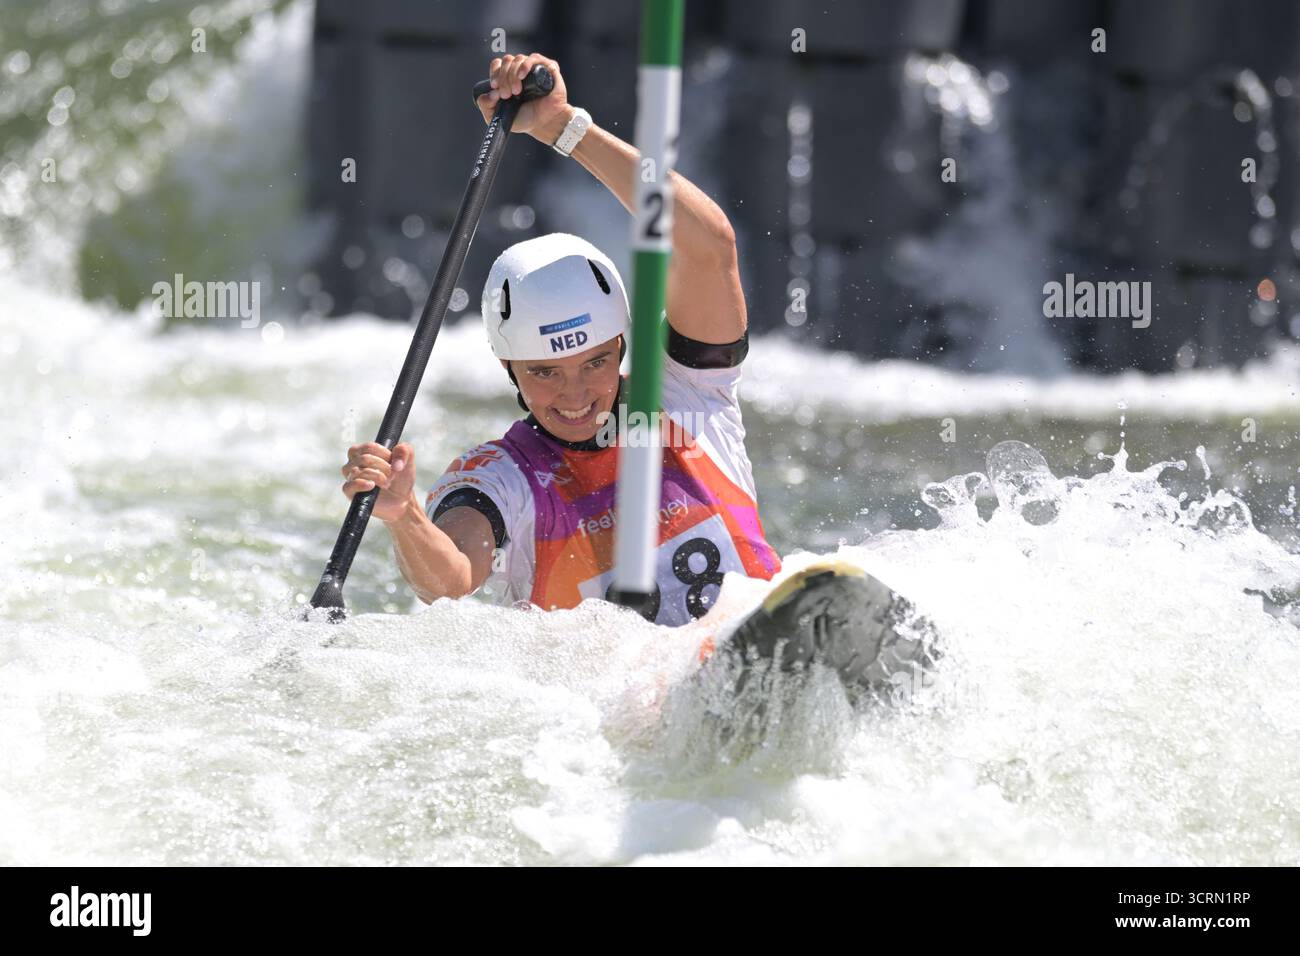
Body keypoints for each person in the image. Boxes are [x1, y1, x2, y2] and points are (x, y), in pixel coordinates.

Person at [340, 52, 781, 626]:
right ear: (510, 371)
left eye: (594, 363)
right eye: (544, 372)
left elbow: (709, 245)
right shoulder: (502, 476)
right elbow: (450, 582)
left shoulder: (685, 392)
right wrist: (404, 516)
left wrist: (563, 127)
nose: (574, 395)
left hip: (761, 642)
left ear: (623, 347)